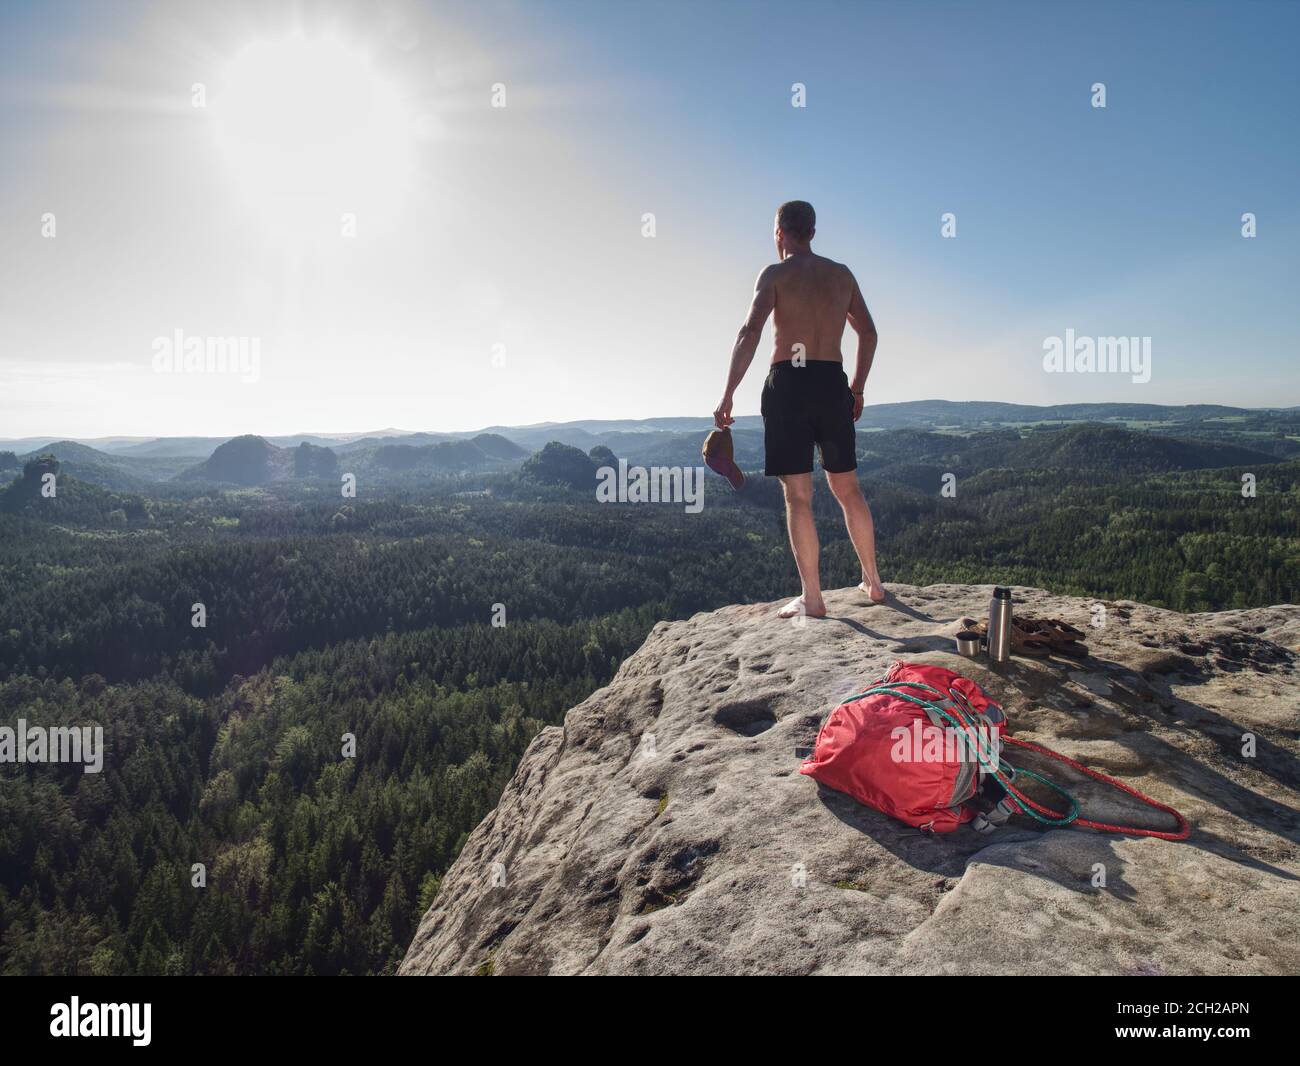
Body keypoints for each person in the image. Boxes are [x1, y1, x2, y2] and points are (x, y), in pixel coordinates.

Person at [713, 200, 885, 619]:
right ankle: (874, 582)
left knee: (799, 497)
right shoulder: (841, 275)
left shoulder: (775, 274)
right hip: (831, 382)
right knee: (848, 489)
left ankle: (813, 598)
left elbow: (750, 331)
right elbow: (869, 333)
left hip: (789, 382)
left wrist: (728, 393)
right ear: (812, 231)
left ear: (779, 232)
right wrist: (857, 389)